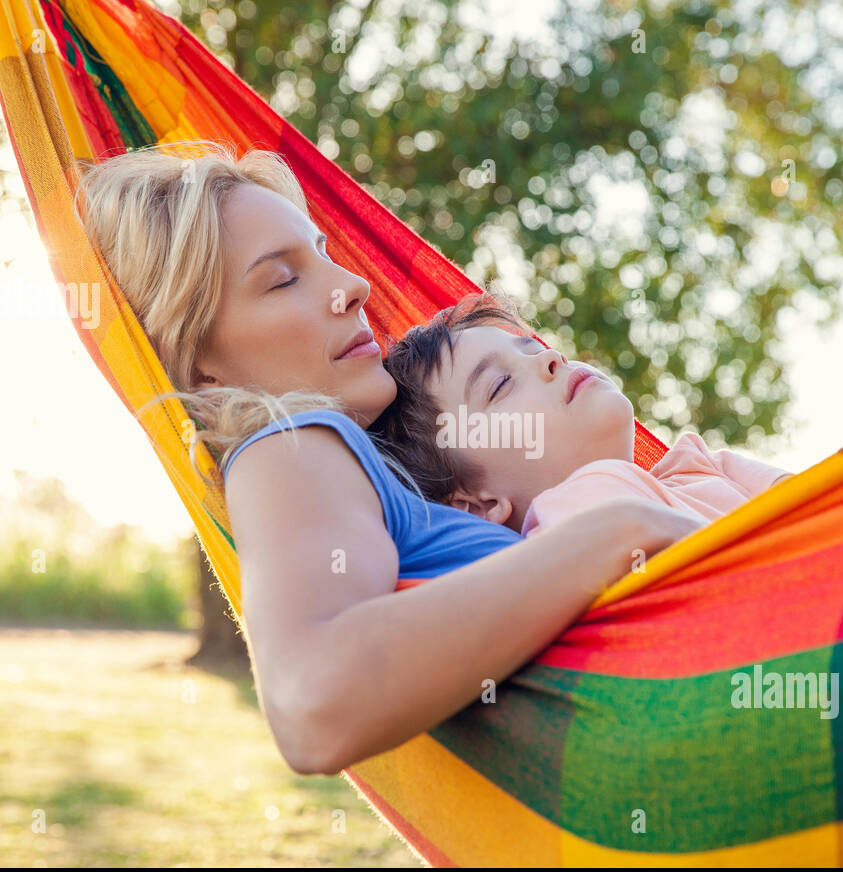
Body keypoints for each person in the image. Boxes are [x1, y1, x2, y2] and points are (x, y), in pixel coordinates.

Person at [75, 141, 705, 775]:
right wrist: (623, 529)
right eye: (284, 279)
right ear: (201, 366)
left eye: (324, 253)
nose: (354, 285)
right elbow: (313, 708)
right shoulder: (286, 447)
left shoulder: (380, 481)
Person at [372, 291, 794, 534]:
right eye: (500, 385)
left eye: (535, 348)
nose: (552, 357)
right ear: (477, 505)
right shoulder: (570, 513)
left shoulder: (701, 463)